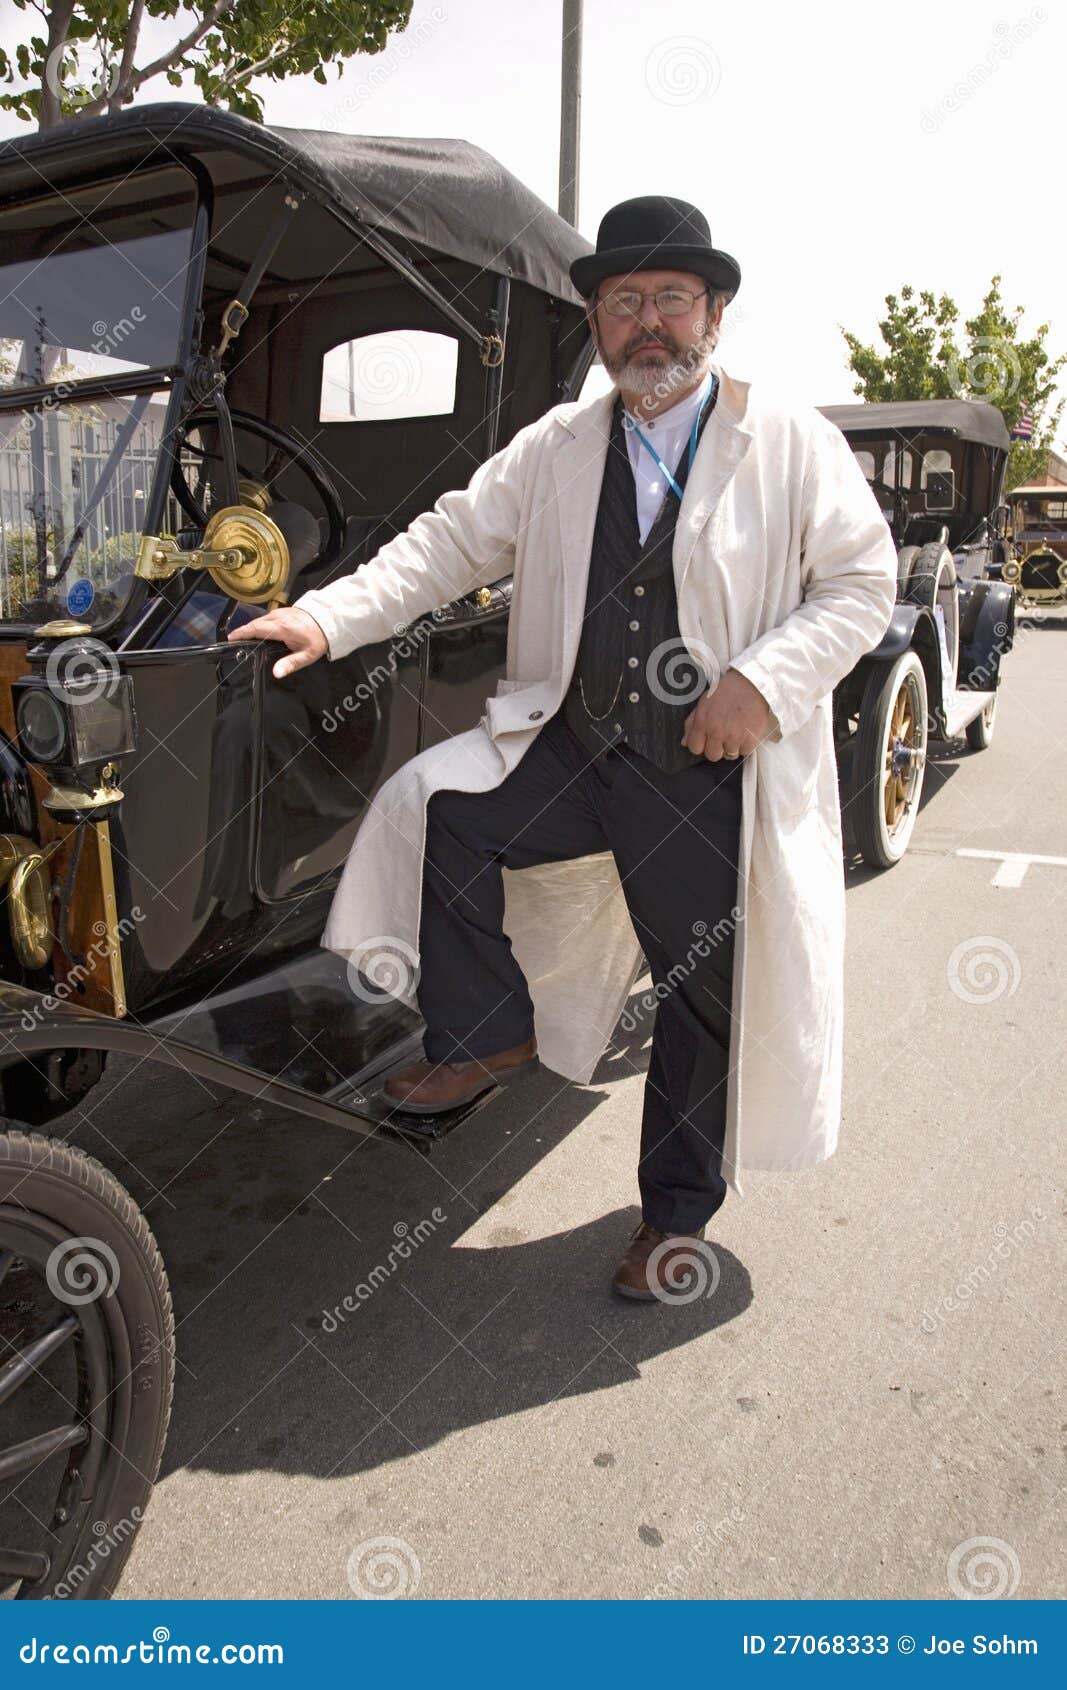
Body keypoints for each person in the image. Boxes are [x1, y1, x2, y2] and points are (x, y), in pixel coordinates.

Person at [229, 196, 898, 1302]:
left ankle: (672, 1218)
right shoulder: (556, 445)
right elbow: (447, 543)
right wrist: (324, 616)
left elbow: (861, 585)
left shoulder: (784, 439)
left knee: (696, 1001)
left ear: (714, 315)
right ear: (595, 324)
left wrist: (759, 683)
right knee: (442, 809)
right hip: (576, 746)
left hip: (703, 773)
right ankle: (487, 1033)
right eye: (623, 302)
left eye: (670, 301)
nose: (648, 324)